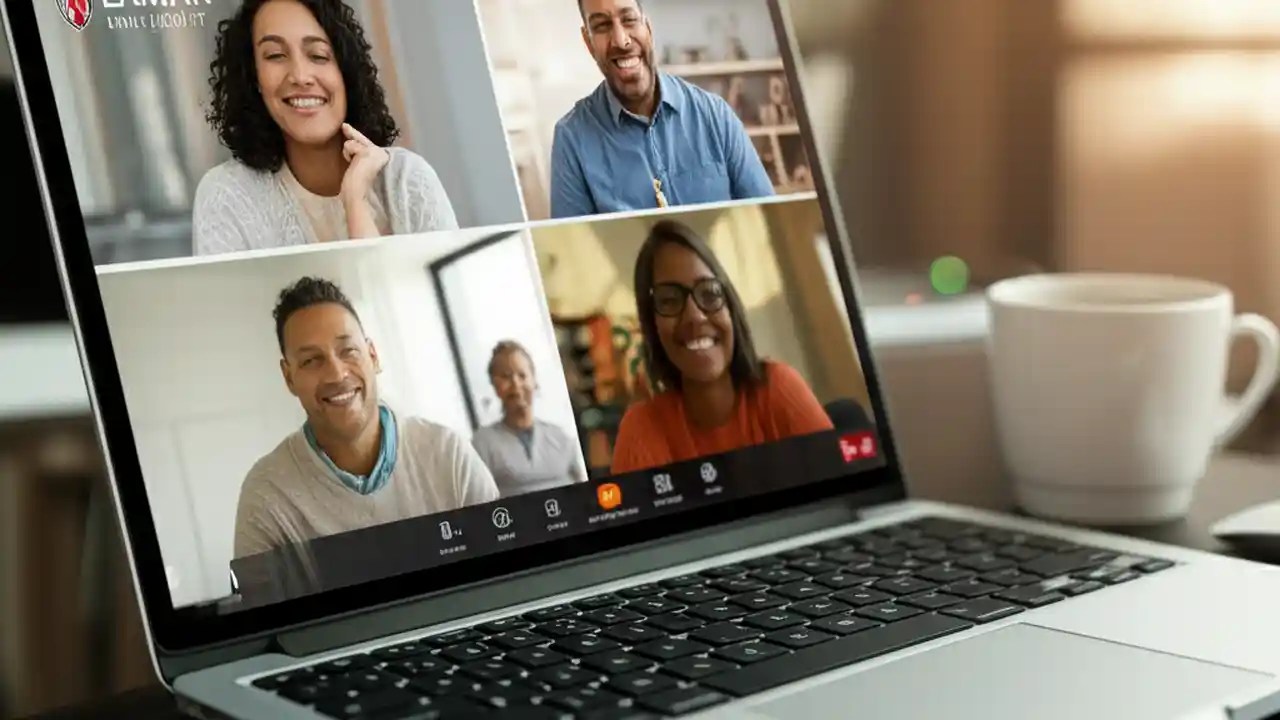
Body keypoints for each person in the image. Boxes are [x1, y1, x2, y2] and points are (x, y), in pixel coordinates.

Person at [233, 277, 498, 558]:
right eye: (311, 360)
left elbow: (507, 569)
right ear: (289, 377)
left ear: (372, 356)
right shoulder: (267, 494)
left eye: (348, 351)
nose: (336, 374)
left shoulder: (448, 454)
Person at [194, 0, 457, 256]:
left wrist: (356, 201)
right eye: (275, 55)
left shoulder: (406, 179)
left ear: (346, 72)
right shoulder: (226, 194)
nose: (300, 76)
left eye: (318, 56)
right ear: (253, 78)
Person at [610, 220, 834, 474]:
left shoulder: (778, 386)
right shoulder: (643, 427)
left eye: (709, 293)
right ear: (652, 326)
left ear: (730, 308)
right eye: (669, 300)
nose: (695, 316)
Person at [549, 0, 775, 219]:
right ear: (588, 42)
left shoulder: (715, 115)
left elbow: (768, 220)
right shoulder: (571, 139)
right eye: (601, 26)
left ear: (648, 27)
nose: (620, 40)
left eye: (628, 19)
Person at [471, 341, 588, 496]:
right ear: (494, 385)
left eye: (522, 375)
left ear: (534, 381)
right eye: (506, 376)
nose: (515, 384)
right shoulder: (482, 443)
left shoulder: (561, 436)